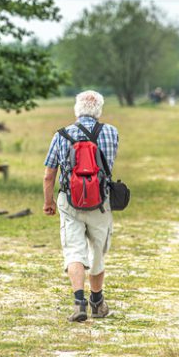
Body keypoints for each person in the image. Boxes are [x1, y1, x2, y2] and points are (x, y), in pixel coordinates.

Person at [43, 90, 119, 322]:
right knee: (97, 252)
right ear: (99, 110)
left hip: (70, 201)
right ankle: (97, 302)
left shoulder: (61, 135)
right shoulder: (111, 132)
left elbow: (49, 175)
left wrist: (48, 201)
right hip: (100, 202)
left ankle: (79, 304)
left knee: (74, 251)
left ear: (76, 109)